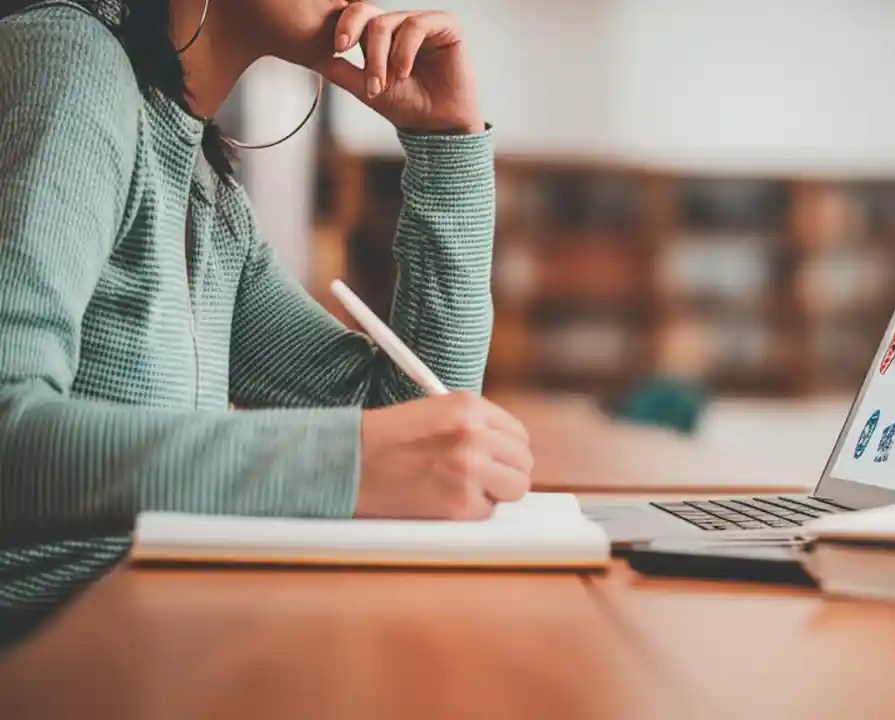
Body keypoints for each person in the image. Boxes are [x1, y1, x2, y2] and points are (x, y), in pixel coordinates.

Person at [0, 0, 533, 629]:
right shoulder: (69, 60)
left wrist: (448, 146)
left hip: (150, 644)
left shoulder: (207, 192)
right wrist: (344, 462)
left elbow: (411, 417)